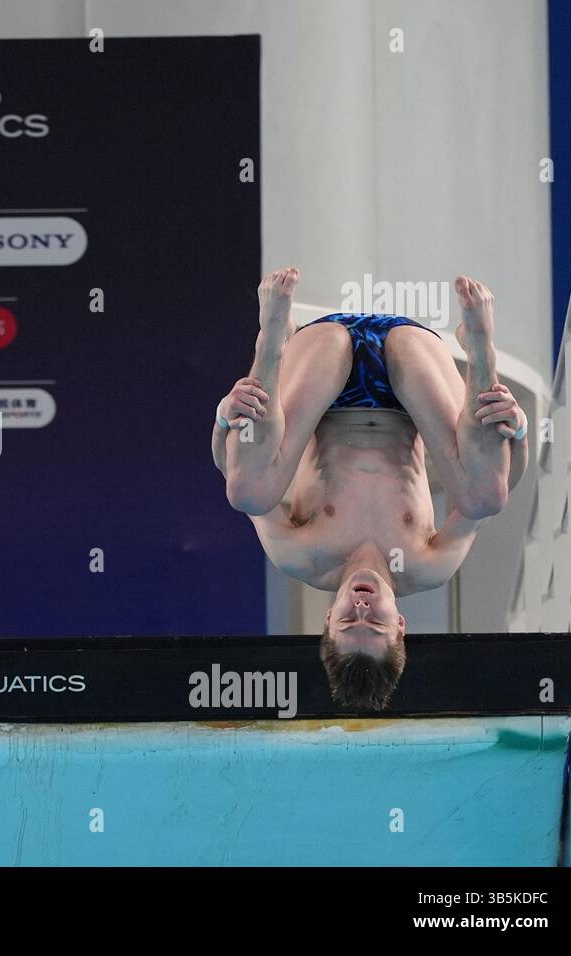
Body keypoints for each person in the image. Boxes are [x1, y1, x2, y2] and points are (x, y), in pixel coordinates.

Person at [212, 268, 528, 709]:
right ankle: (480, 354)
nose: (362, 610)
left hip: (324, 364)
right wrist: (518, 432)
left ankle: (271, 342)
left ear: (327, 619)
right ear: (400, 622)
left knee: (248, 493)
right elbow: (498, 486)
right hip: (410, 370)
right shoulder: (426, 566)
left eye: (348, 623)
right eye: (375, 626)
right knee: (484, 498)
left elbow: (235, 472)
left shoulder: (300, 556)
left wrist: (225, 417)